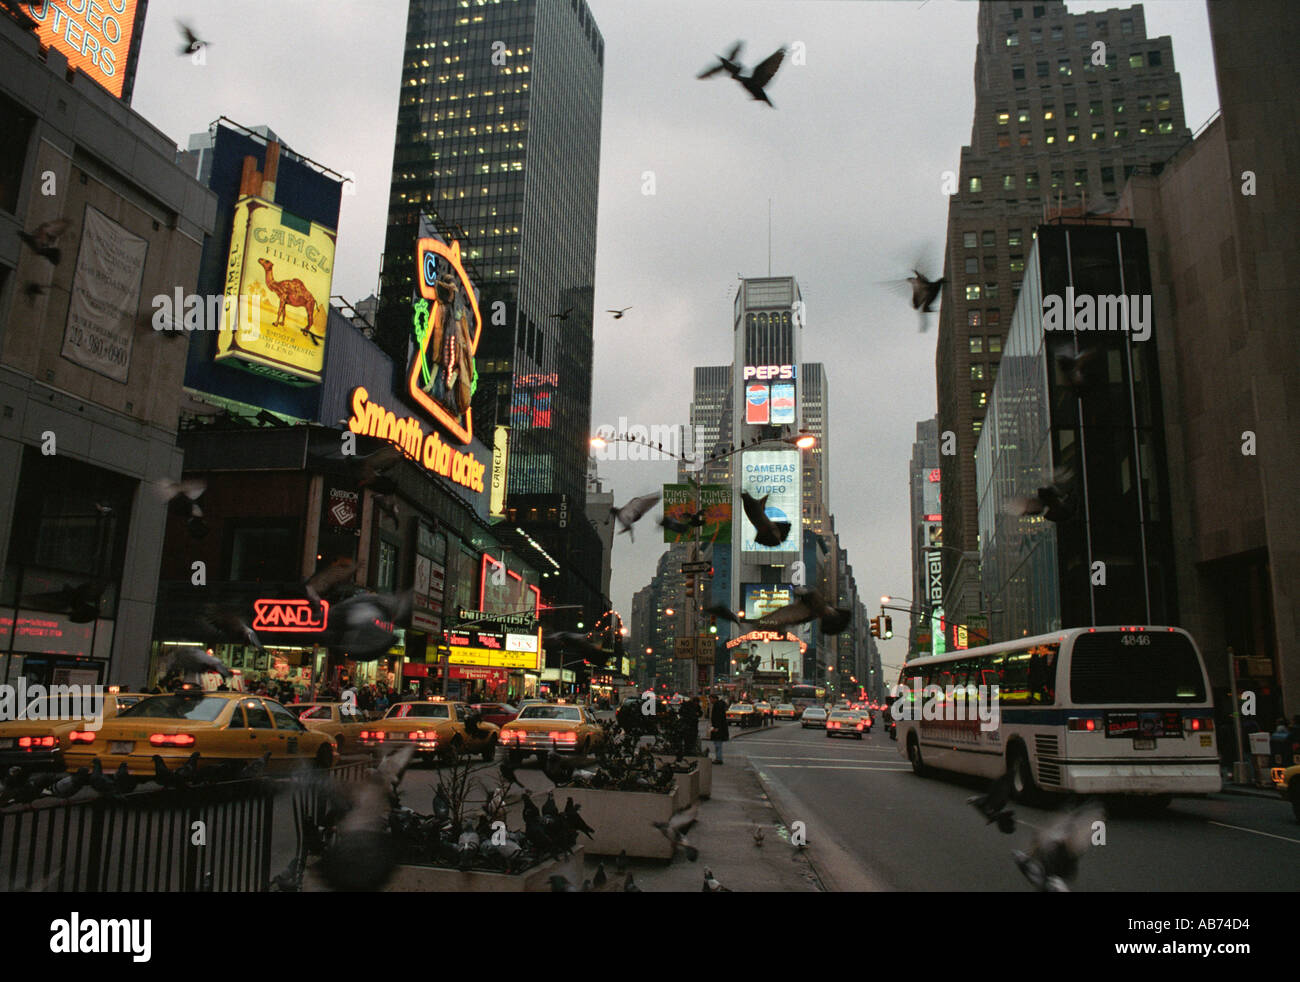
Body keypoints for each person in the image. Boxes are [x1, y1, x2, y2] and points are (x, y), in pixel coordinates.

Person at [710, 694, 729, 764]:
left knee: (718, 744)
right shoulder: (719, 705)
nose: (710, 701)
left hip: (718, 728)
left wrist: (716, 727)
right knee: (718, 744)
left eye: (711, 699)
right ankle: (718, 758)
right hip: (720, 727)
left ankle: (719, 758)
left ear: (714, 699)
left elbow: (718, 718)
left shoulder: (717, 706)